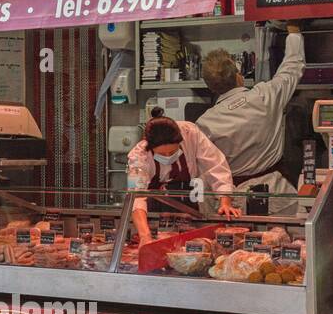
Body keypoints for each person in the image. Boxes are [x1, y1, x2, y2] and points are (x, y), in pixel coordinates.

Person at [196, 23, 305, 207]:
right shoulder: (263, 96)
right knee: (287, 236)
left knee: (239, 237)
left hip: (232, 204)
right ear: (238, 75)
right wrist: (294, 30)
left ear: (210, 86)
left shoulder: (204, 123)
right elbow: (291, 68)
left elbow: (203, 172)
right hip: (277, 196)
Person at [127, 108, 239, 244]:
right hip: (154, 203)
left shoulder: (190, 133)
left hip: (187, 197)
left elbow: (216, 165)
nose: (169, 157)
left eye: (173, 152)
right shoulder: (138, 156)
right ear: (150, 147)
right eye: (162, 154)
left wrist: (225, 201)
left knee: (188, 241)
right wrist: (145, 236)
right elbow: (136, 197)